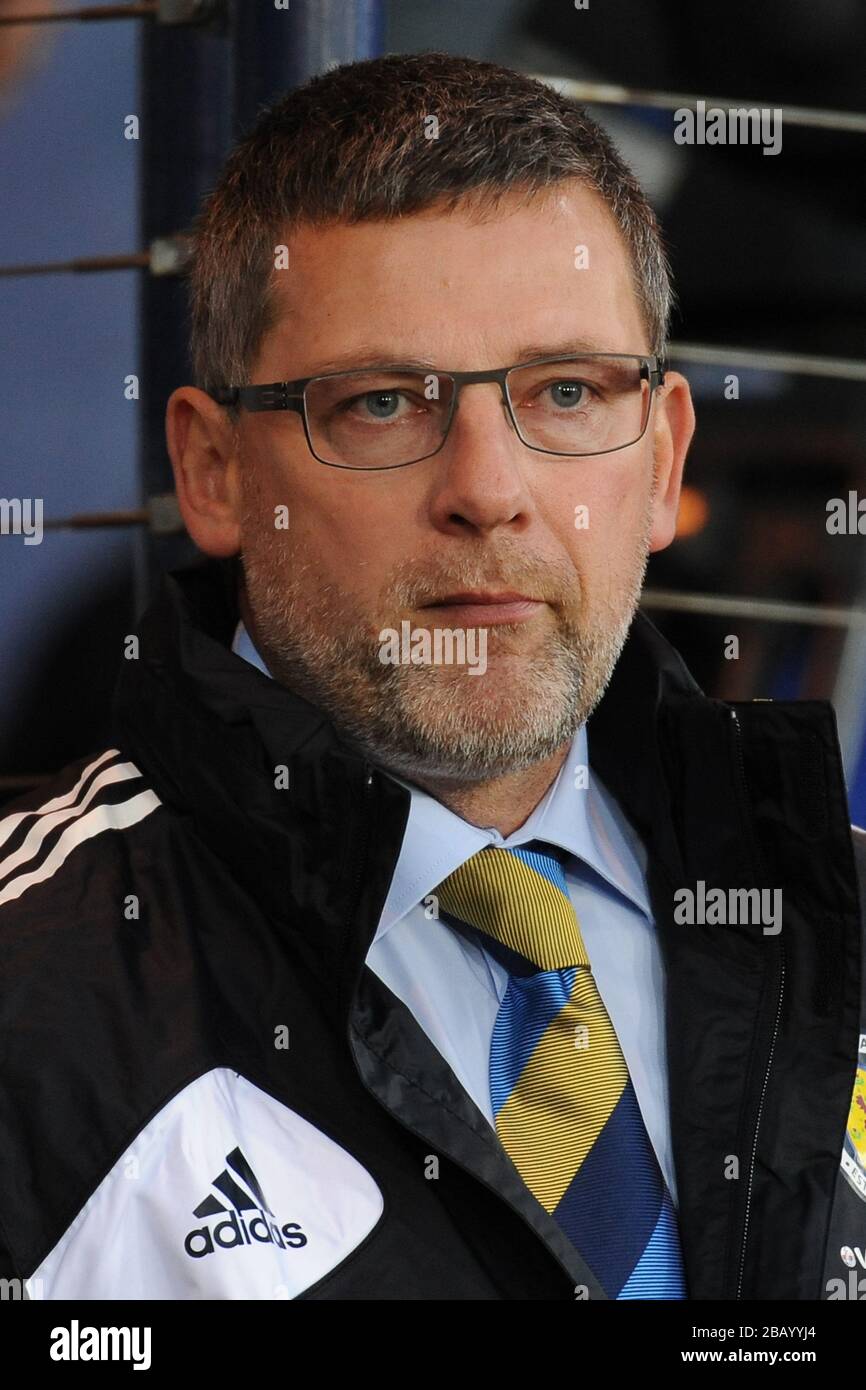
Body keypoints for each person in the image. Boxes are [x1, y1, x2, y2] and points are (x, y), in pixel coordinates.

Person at [0, 51, 863, 1302]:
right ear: (213, 472)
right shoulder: (37, 1014)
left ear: (661, 448)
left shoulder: (831, 909)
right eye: (380, 406)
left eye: (564, 392)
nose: (487, 491)